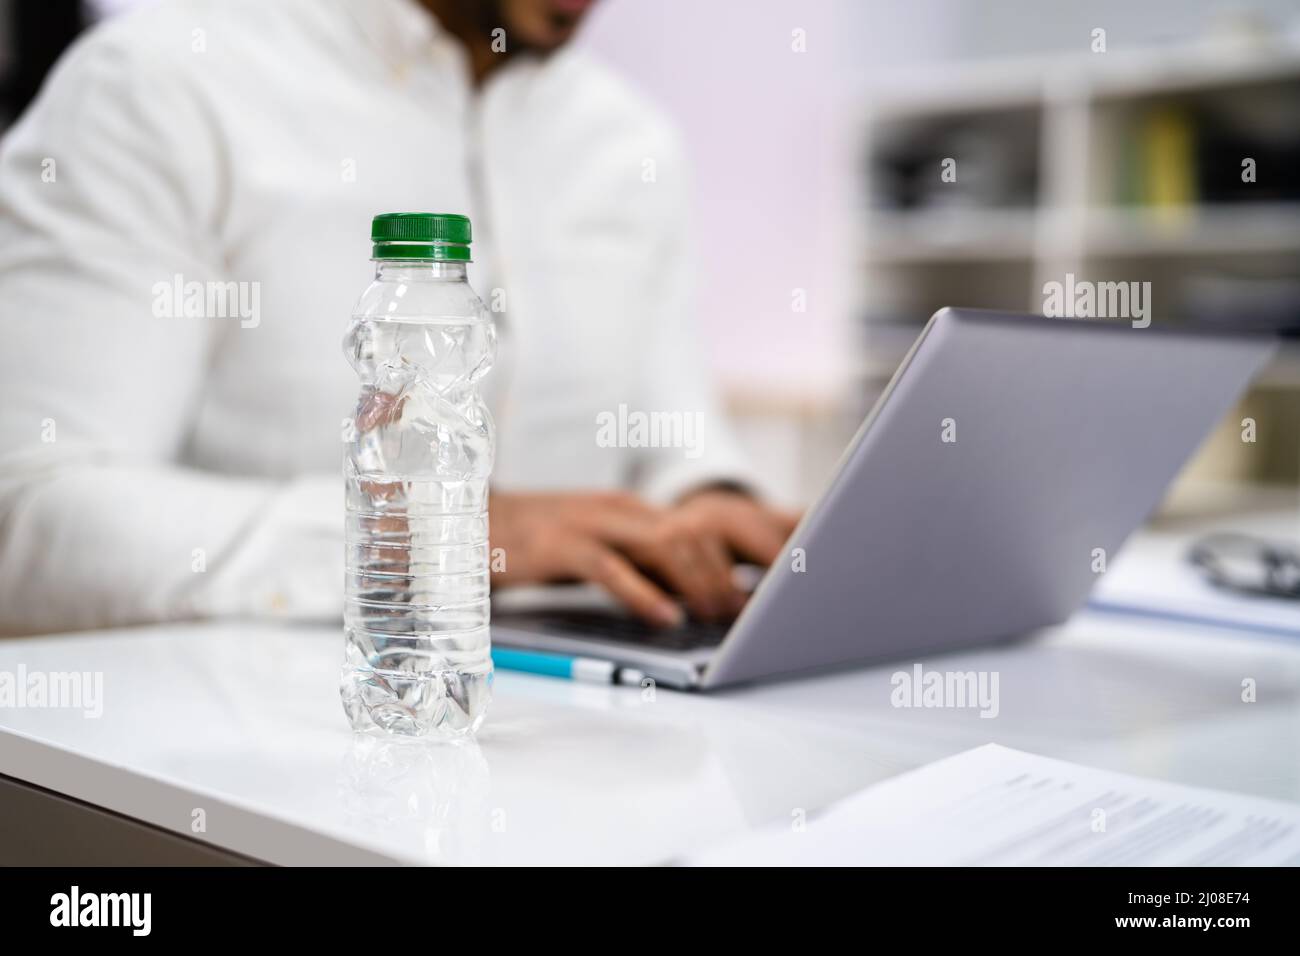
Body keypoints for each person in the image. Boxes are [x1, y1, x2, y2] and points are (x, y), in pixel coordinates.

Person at [0, 0, 795, 636]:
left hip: (590, 740)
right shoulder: (157, 87)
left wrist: (709, 504)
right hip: (257, 766)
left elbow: (670, 438)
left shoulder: (629, 141)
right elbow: (29, 518)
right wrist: (435, 531)